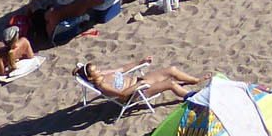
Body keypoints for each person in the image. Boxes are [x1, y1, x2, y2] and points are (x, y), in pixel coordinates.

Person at [75, 59, 204, 106]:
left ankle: (195, 80)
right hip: (136, 93)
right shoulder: (103, 86)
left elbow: (123, 69)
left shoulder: (104, 74)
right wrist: (138, 85)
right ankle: (192, 97)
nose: (98, 69)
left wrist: (141, 62)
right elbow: (122, 94)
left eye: (96, 67)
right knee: (170, 84)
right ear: (91, 78)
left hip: (139, 82)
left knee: (172, 70)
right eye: (95, 70)